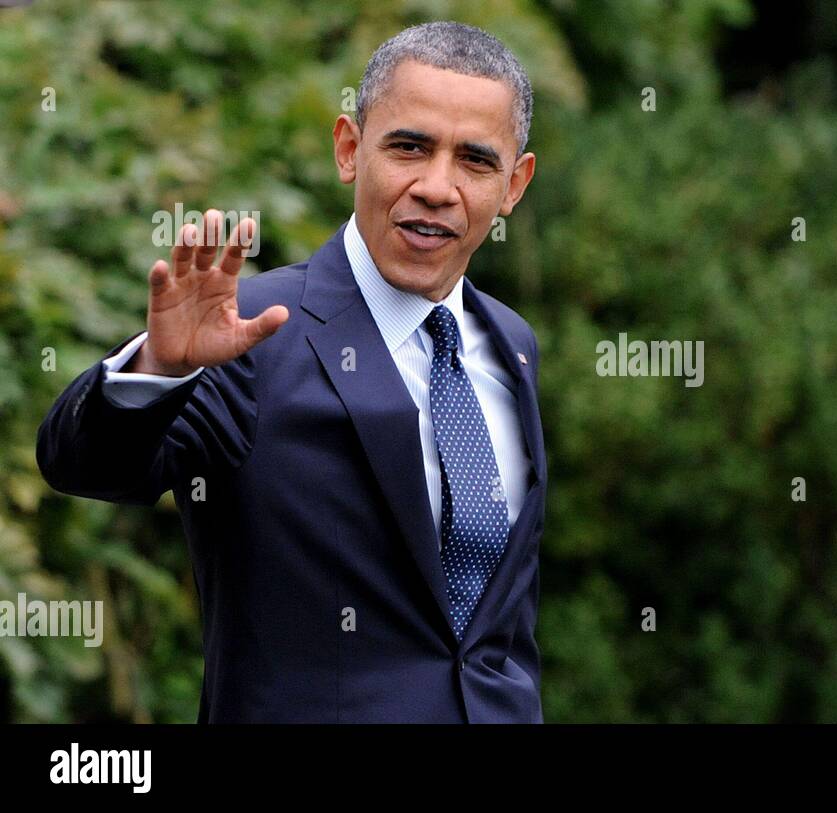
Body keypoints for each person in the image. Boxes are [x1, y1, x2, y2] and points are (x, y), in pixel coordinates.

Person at [36, 21, 545, 723]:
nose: (436, 187)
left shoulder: (511, 344)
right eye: (408, 147)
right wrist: (158, 368)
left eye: (475, 161)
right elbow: (83, 465)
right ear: (348, 149)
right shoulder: (245, 331)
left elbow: (494, 629)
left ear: (513, 183)